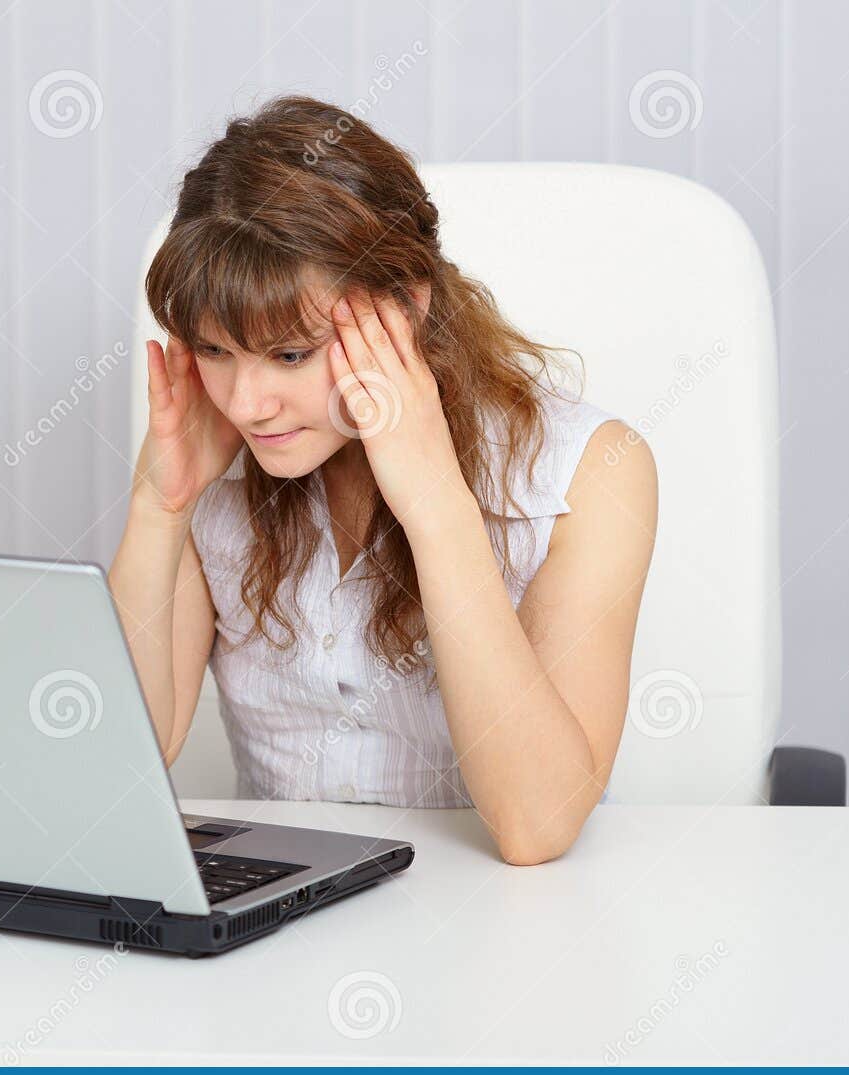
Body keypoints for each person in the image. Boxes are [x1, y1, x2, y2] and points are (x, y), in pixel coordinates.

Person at [107, 96, 658, 866]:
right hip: (280, 924)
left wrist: (435, 505)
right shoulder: (215, 451)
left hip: (508, 927)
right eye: (215, 350)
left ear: (405, 306)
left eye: (292, 354)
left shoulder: (588, 471)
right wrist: (159, 508)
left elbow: (537, 825)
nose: (245, 402)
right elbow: (127, 758)